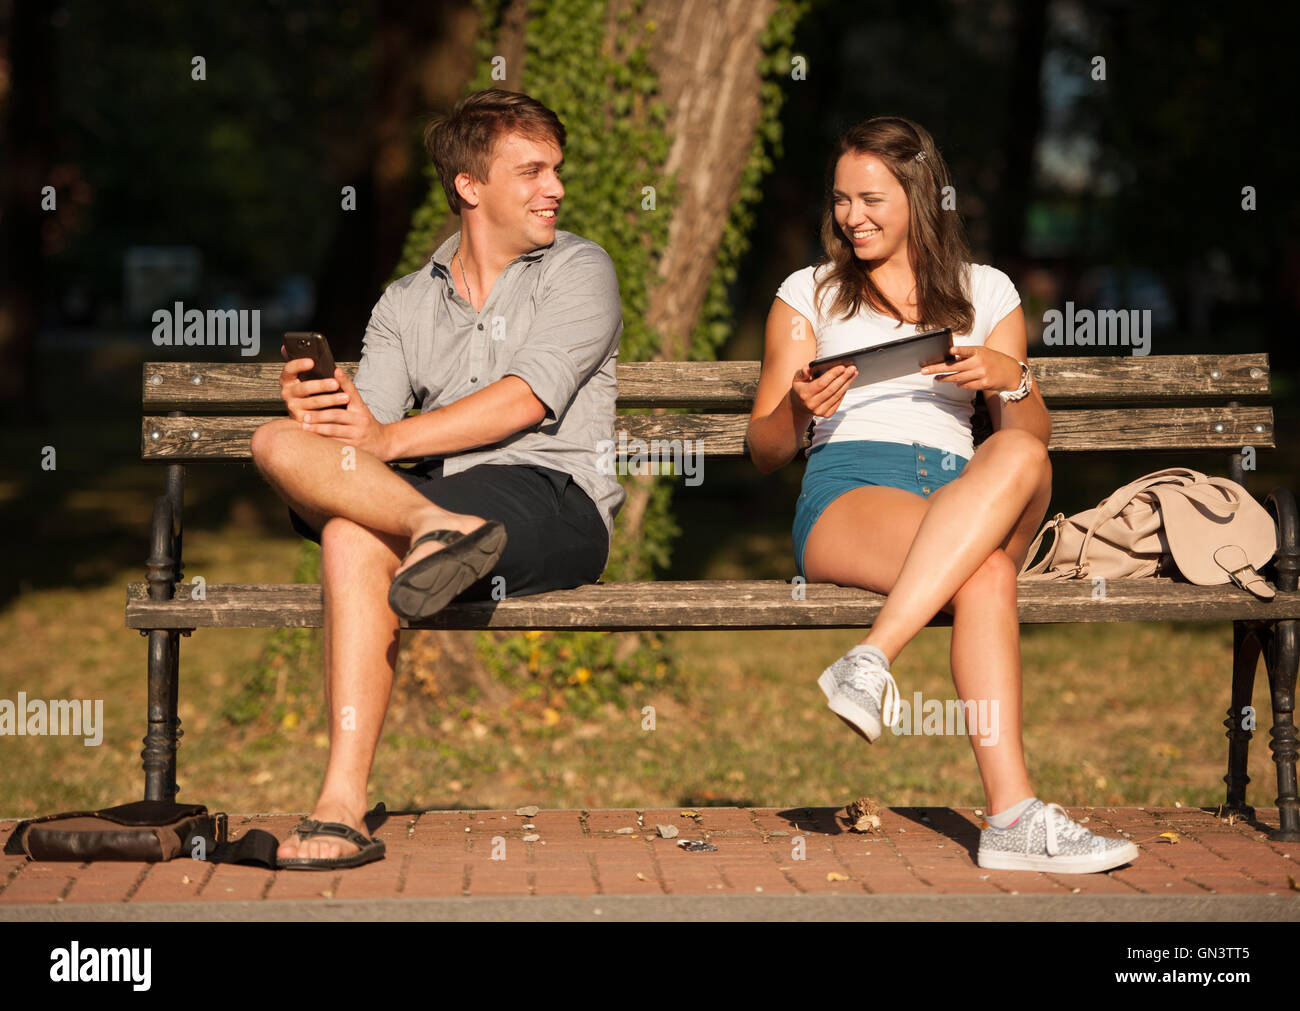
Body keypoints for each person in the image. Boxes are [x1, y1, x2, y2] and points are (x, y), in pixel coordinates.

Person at [747, 115, 1138, 873]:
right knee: (987, 572)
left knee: (1019, 445)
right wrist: (800, 408)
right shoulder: (809, 295)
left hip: (968, 491)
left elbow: (1031, 441)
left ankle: (871, 656)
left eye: (870, 199)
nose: (850, 217)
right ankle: (1015, 815)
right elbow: (763, 450)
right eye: (840, 200)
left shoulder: (987, 292)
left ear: (921, 194)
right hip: (853, 488)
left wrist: (1009, 378)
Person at [249, 89, 625, 869]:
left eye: (557, 169)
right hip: (441, 506)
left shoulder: (580, 269)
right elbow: (368, 438)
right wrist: (325, 418)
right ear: (470, 186)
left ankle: (339, 801)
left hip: (553, 498)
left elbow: (528, 397)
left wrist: (383, 438)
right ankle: (342, 807)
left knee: (354, 523)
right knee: (275, 443)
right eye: (531, 171)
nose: (555, 187)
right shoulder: (404, 301)